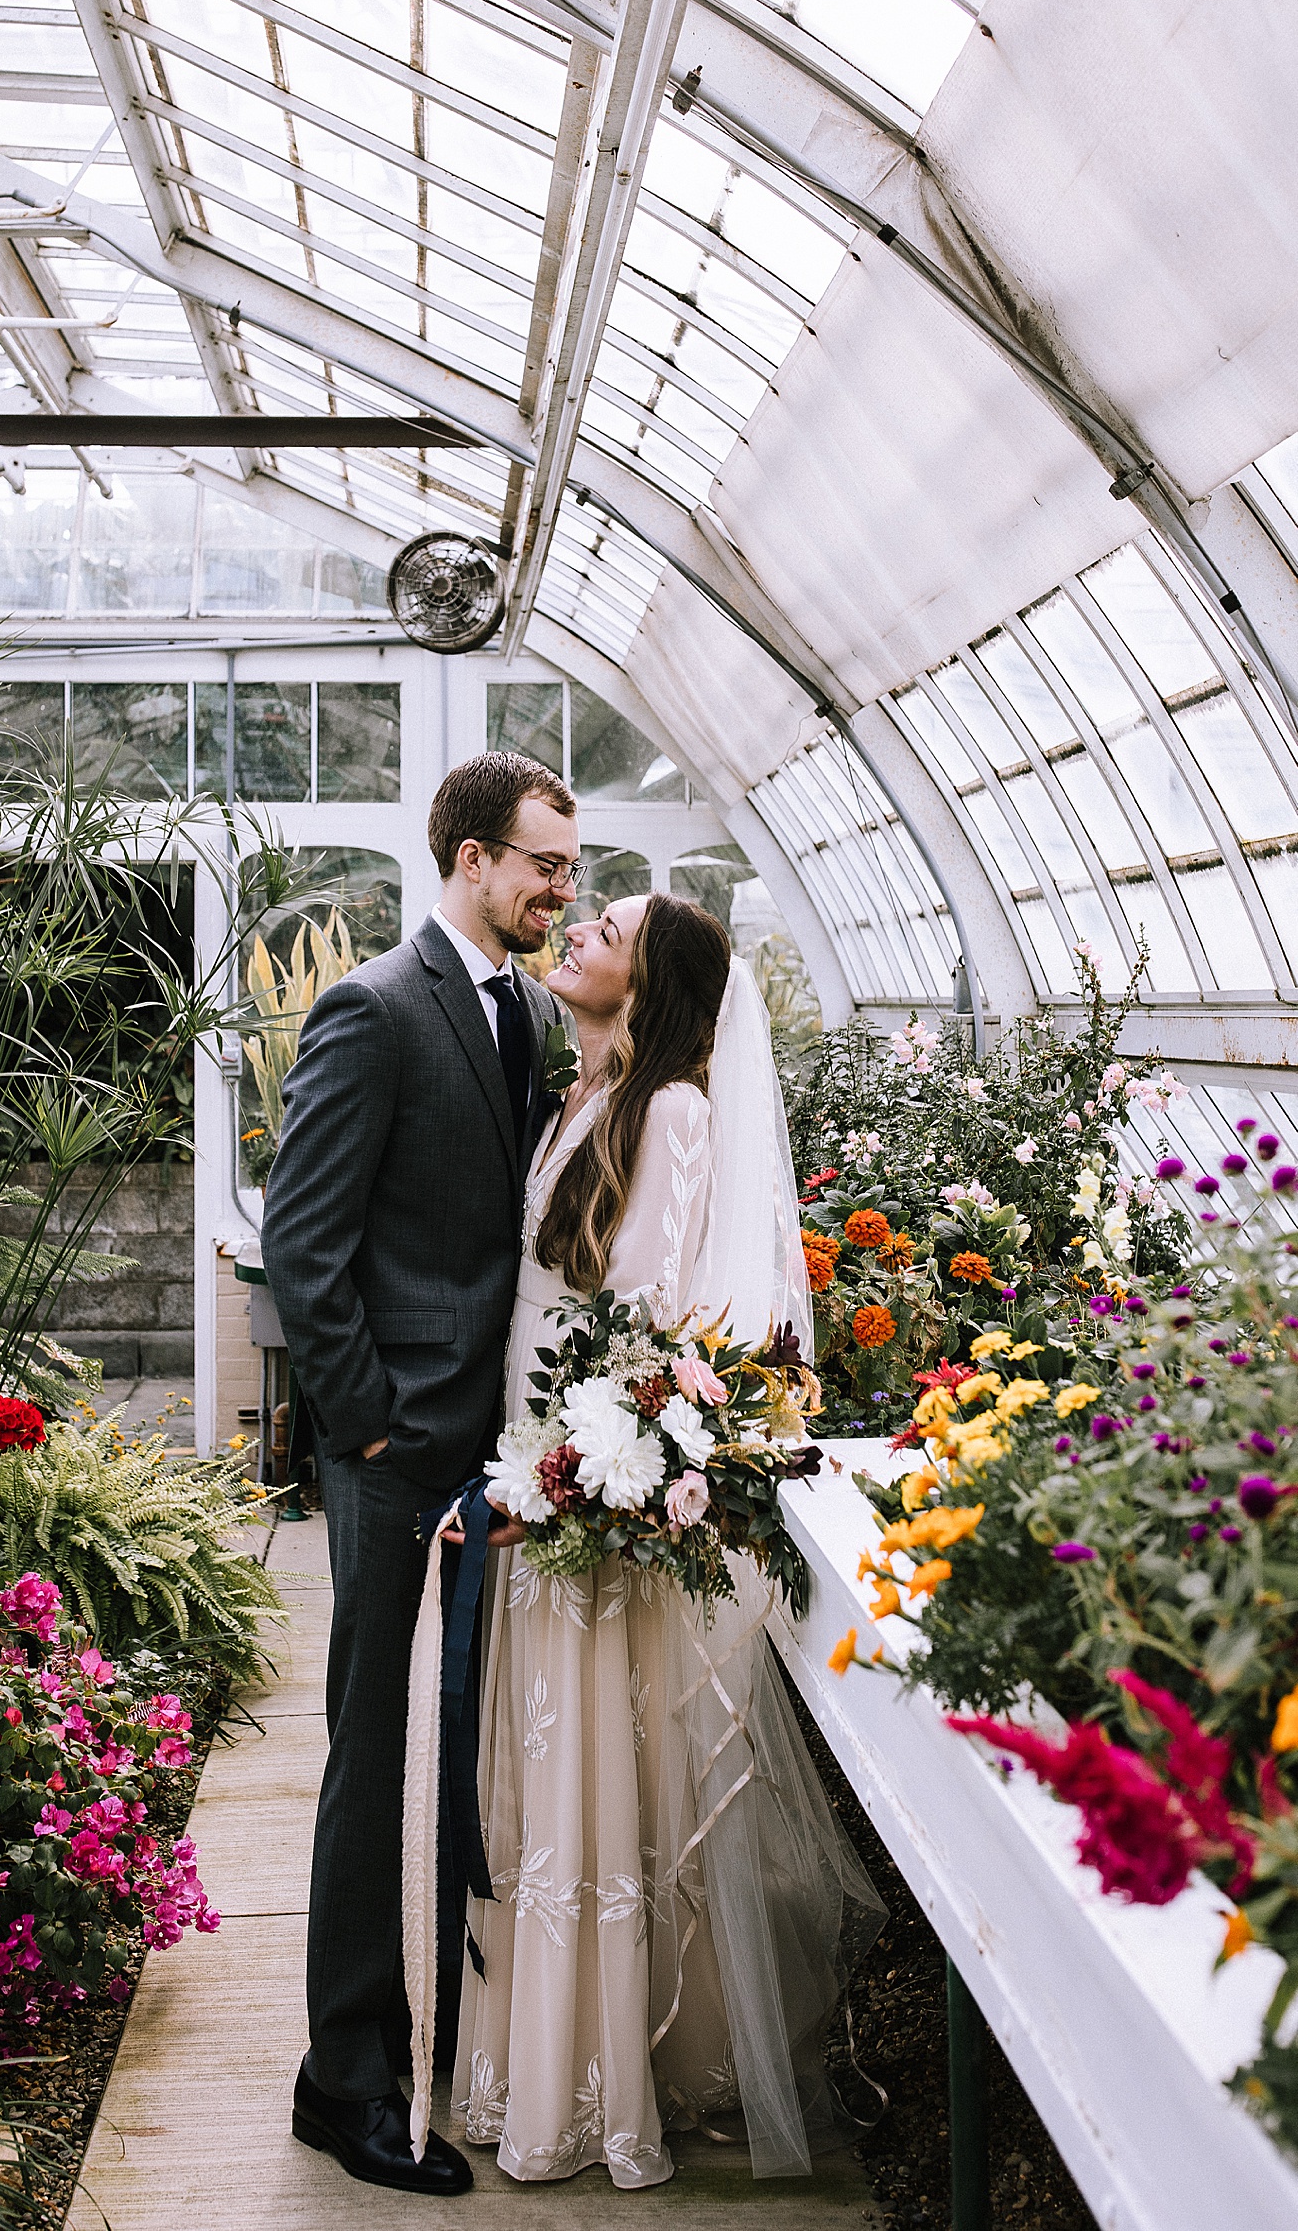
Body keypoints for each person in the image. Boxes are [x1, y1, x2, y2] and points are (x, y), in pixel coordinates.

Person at [407, 892, 885, 2187]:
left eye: (605, 928)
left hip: (581, 1507)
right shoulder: (579, 1095)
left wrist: (551, 1487)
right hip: (529, 1477)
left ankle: (608, 2078)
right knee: (540, 1781)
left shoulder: (671, 1111)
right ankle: (538, 2060)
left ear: (653, 979)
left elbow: (650, 1337)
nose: (575, 931)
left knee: (594, 1789)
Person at [261, 751, 581, 2196]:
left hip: (502, 1455)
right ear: (470, 858)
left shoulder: (534, 1015)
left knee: (469, 1755)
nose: (561, 888)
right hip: (396, 1457)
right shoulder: (375, 1009)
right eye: (544, 863)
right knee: (371, 1758)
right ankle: (348, 2080)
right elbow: (303, 1240)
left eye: (569, 866)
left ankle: (458, 2040)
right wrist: (370, 1423)